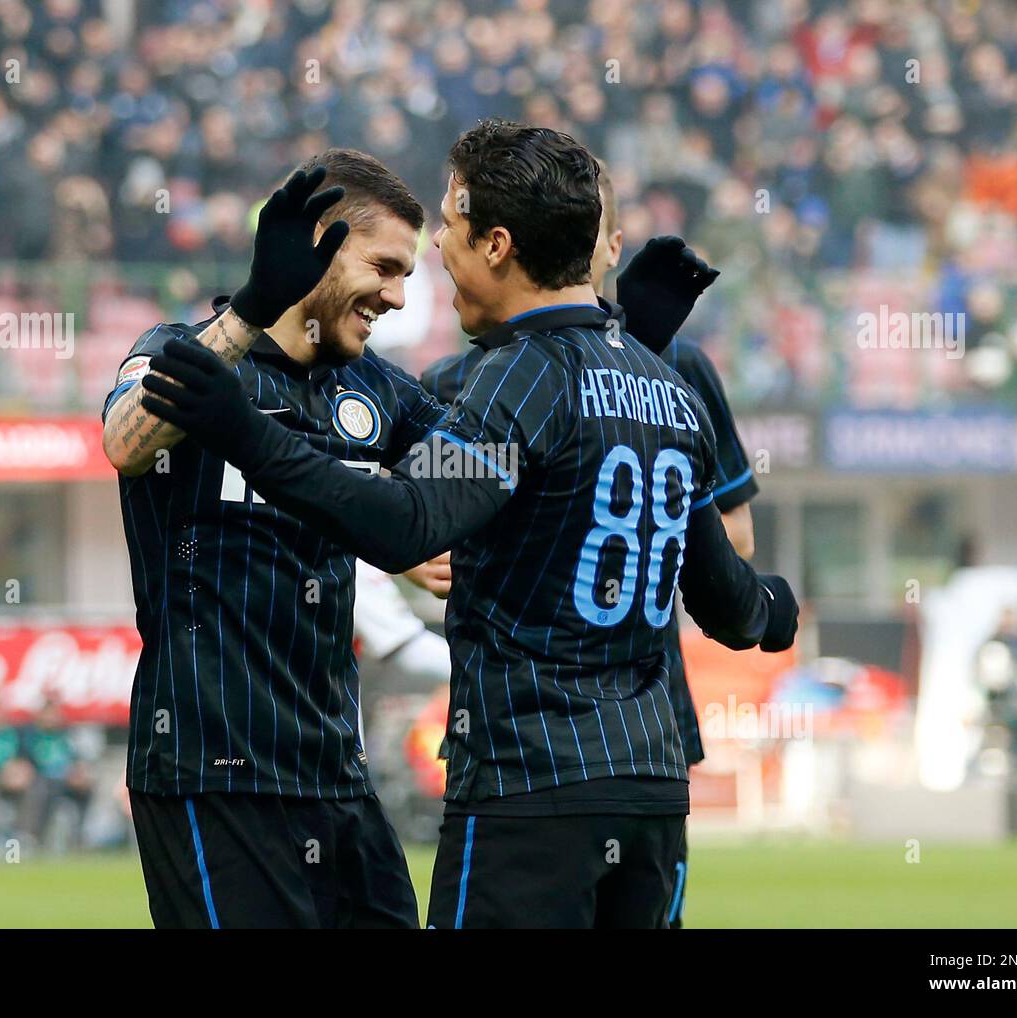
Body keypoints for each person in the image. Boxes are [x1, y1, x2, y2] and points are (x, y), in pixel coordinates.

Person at [141, 119, 798, 928]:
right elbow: (729, 601)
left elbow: (411, 518)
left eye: (447, 228)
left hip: (528, 789)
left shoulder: (518, 379)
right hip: (651, 793)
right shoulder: (665, 388)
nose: (431, 263)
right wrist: (773, 609)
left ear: (495, 244)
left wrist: (244, 431)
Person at [102, 150, 448, 928]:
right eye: (385, 267)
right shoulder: (179, 348)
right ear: (317, 245)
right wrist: (255, 305)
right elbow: (126, 444)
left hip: (336, 776)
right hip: (212, 773)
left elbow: (484, 472)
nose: (396, 297)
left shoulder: (379, 392)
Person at [421, 162, 755, 929]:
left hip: (628, 719)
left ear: (609, 243)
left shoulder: (682, 369)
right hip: (535, 729)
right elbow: (417, 524)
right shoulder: (465, 381)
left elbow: (731, 535)